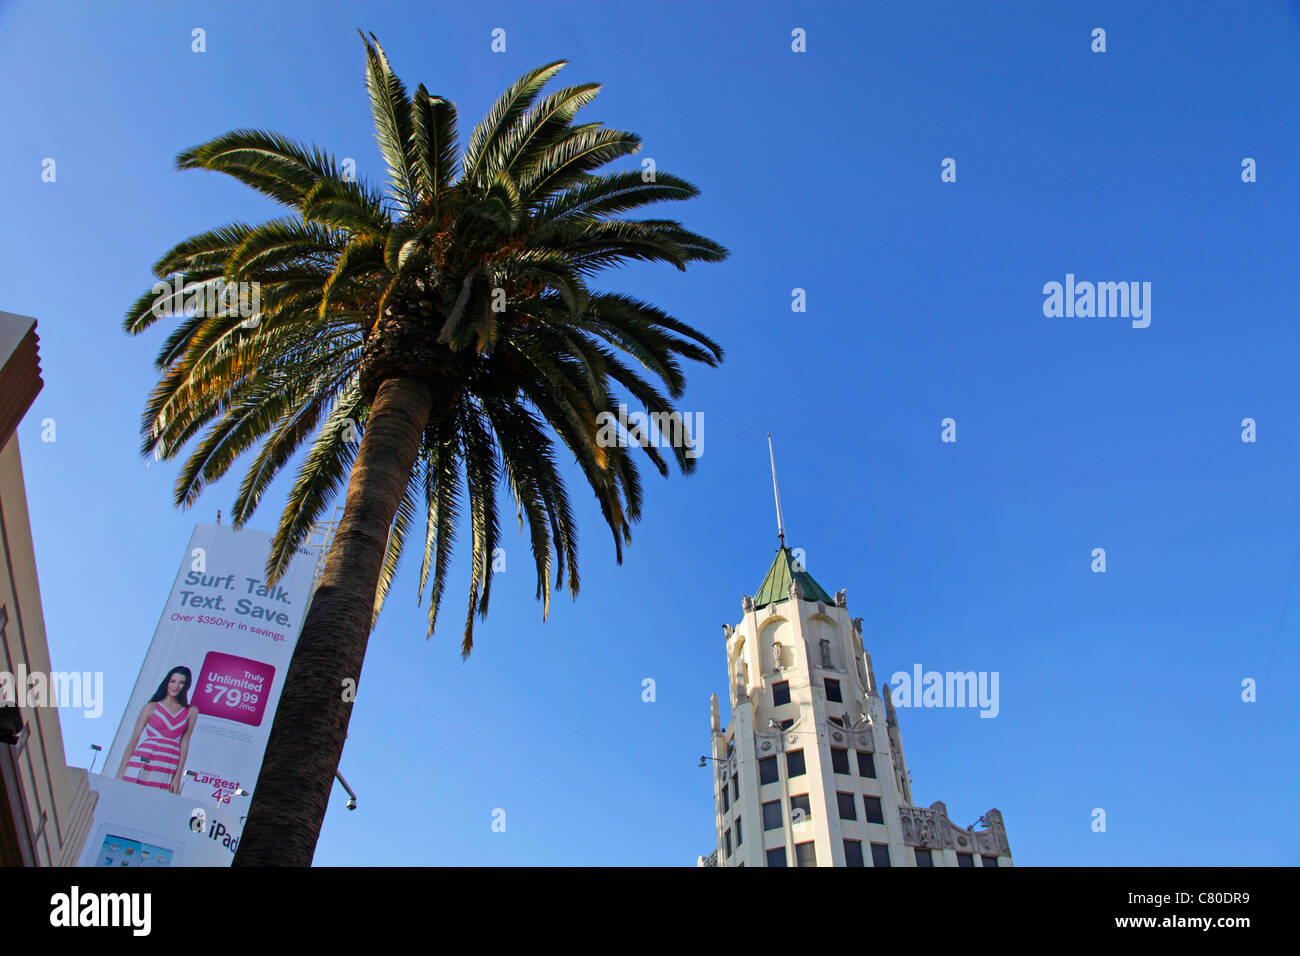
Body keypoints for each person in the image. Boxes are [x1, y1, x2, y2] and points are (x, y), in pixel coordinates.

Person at [116, 666, 198, 794]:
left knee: (156, 802)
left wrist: (177, 777)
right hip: (144, 757)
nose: (176, 686)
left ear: (186, 686)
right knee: (129, 795)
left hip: (169, 762)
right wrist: (121, 770)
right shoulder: (151, 707)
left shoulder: (191, 711)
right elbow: (134, 739)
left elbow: (185, 742)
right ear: (167, 682)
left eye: (181, 682)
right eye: (173, 681)